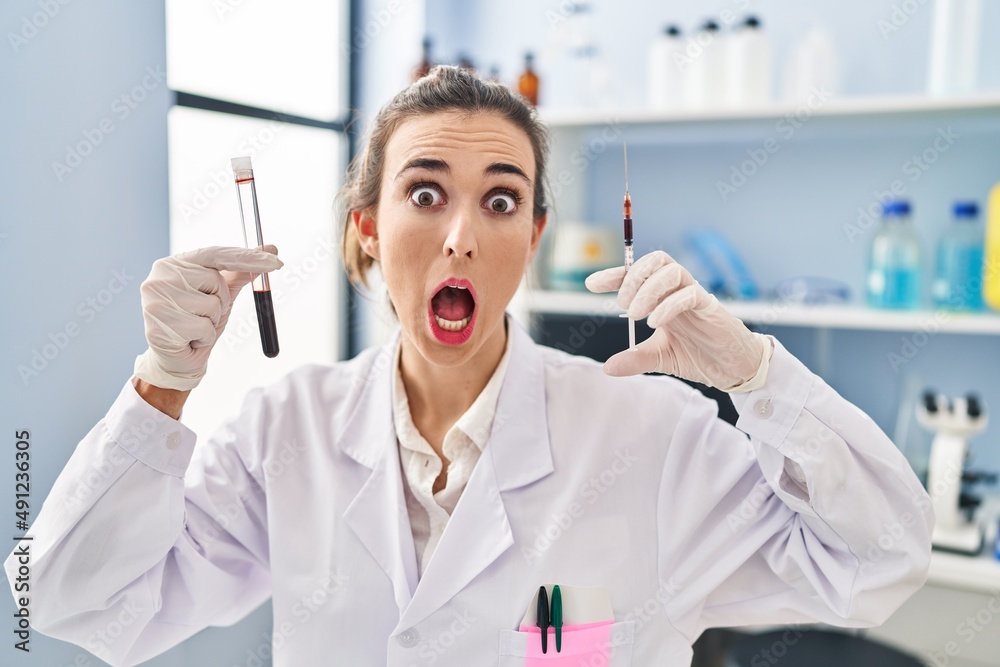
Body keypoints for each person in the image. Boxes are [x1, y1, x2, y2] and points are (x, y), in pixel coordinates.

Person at [5, 66, 932, 666]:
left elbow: (880, 557)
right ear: (367, 228)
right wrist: (162, 383)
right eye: (423, 193)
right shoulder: (284, 433)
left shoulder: (652, 436)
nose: (459, 237)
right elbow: (71, 600)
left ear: (531, 238)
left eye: (499, 201)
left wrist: (758, 377)